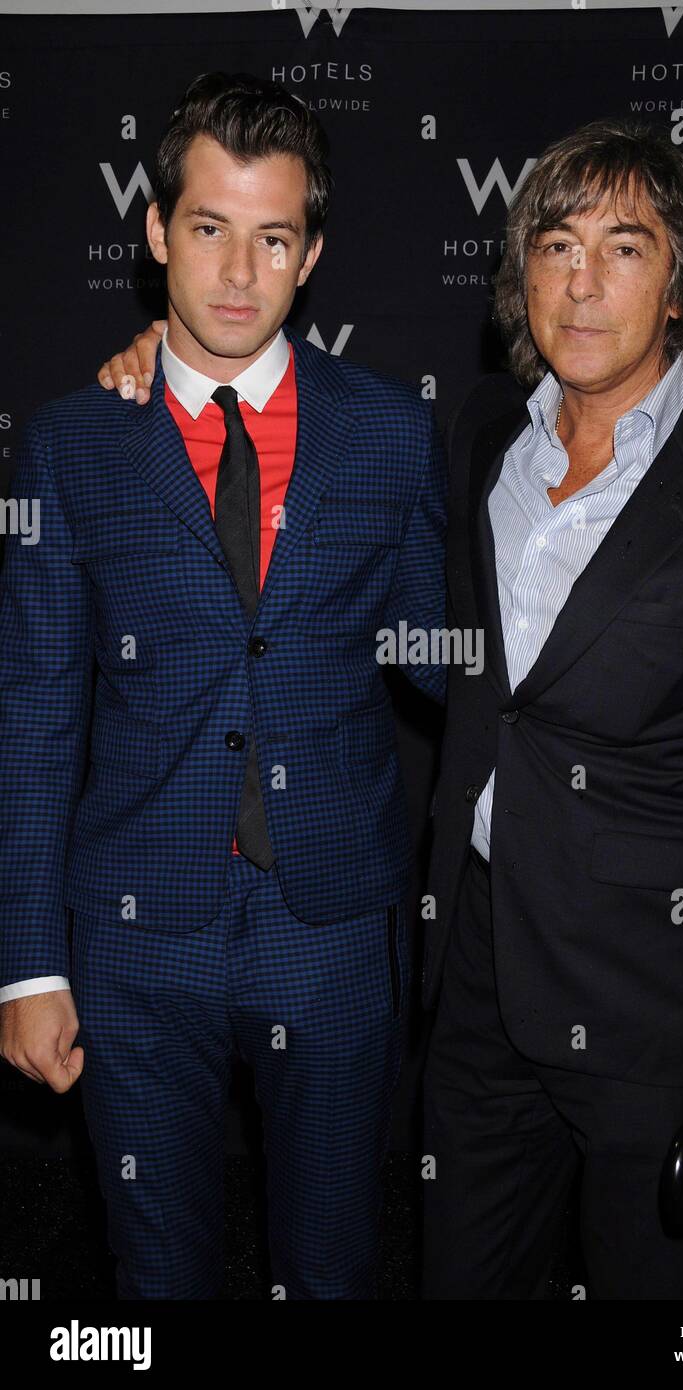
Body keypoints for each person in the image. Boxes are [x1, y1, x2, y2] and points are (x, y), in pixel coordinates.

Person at [0, 71, 446, 1300]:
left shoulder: (391, 434)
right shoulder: (71, 443)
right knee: (158, 1278)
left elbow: (448, 667)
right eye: (208, 229)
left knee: (338, 1266)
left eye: (272, 238)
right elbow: (35, 716)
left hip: (338, 930)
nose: (238, 273)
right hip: (136, 944)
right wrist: (29, 966)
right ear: (155, 235)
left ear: (312, 256)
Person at [419, 118, 683, 1299]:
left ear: (679, 284)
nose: (582, 282)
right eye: (555, 246)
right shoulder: (481, 436)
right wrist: (170, 356)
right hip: (476, 979)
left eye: (623, 247)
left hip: (657, 1017)